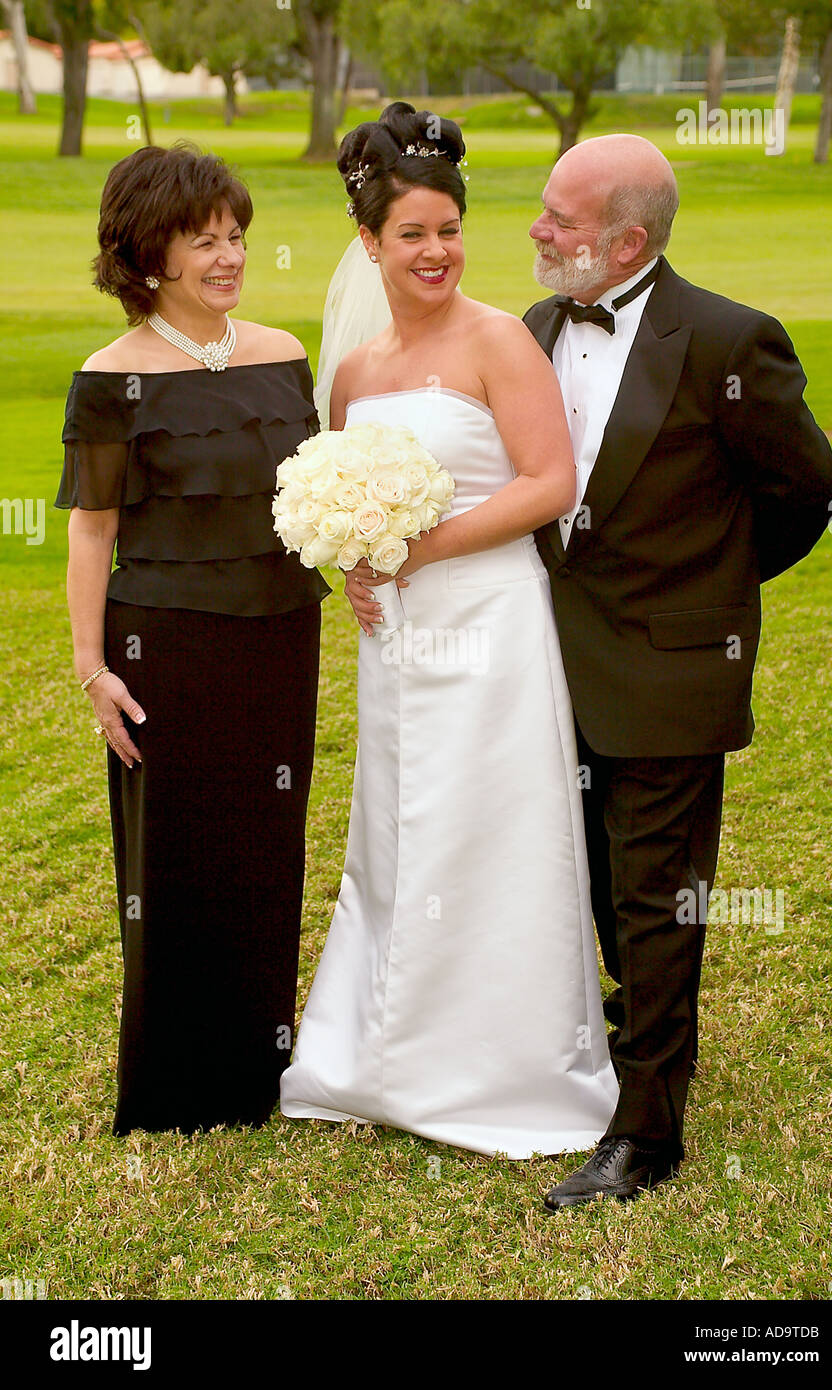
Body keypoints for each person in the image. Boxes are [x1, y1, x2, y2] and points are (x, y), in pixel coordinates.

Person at [280, 103, 619, 1158]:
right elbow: (342, 502)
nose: (436, 252)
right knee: (396, 824)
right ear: (370, 244)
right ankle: (387, 1051)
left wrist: (424, 550)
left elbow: (549, 483)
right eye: (412, 234)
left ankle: (504, 1059)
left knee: (490, 823)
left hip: (490, 626)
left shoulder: (498, 340)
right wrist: (354, 570)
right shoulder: (354, 373)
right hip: (398, 643)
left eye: (449, 230)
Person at [517, 134, 832, 1205]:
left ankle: (646, 1134)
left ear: (624, 240)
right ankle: (635, 1031)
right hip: (542, 667)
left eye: (558, 219)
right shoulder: (532, 327)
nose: (536, 230)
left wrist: (710, 588)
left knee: (657, 896)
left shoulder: (726, 339)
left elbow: (805, 490)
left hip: (670, 669)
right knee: (591, 883)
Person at [57, 143, 329, 1136]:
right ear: (147, 253)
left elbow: (312, 493)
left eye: (236, 237)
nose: (228, 256)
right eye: (202, 240)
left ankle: (261, 1074)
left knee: (265, 849)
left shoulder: (281, 352)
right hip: (161, 644)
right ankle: (174, 1090)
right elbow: (91, 530)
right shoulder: (111, 376)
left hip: (278, 633)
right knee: (174, 860)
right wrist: (91, 668)